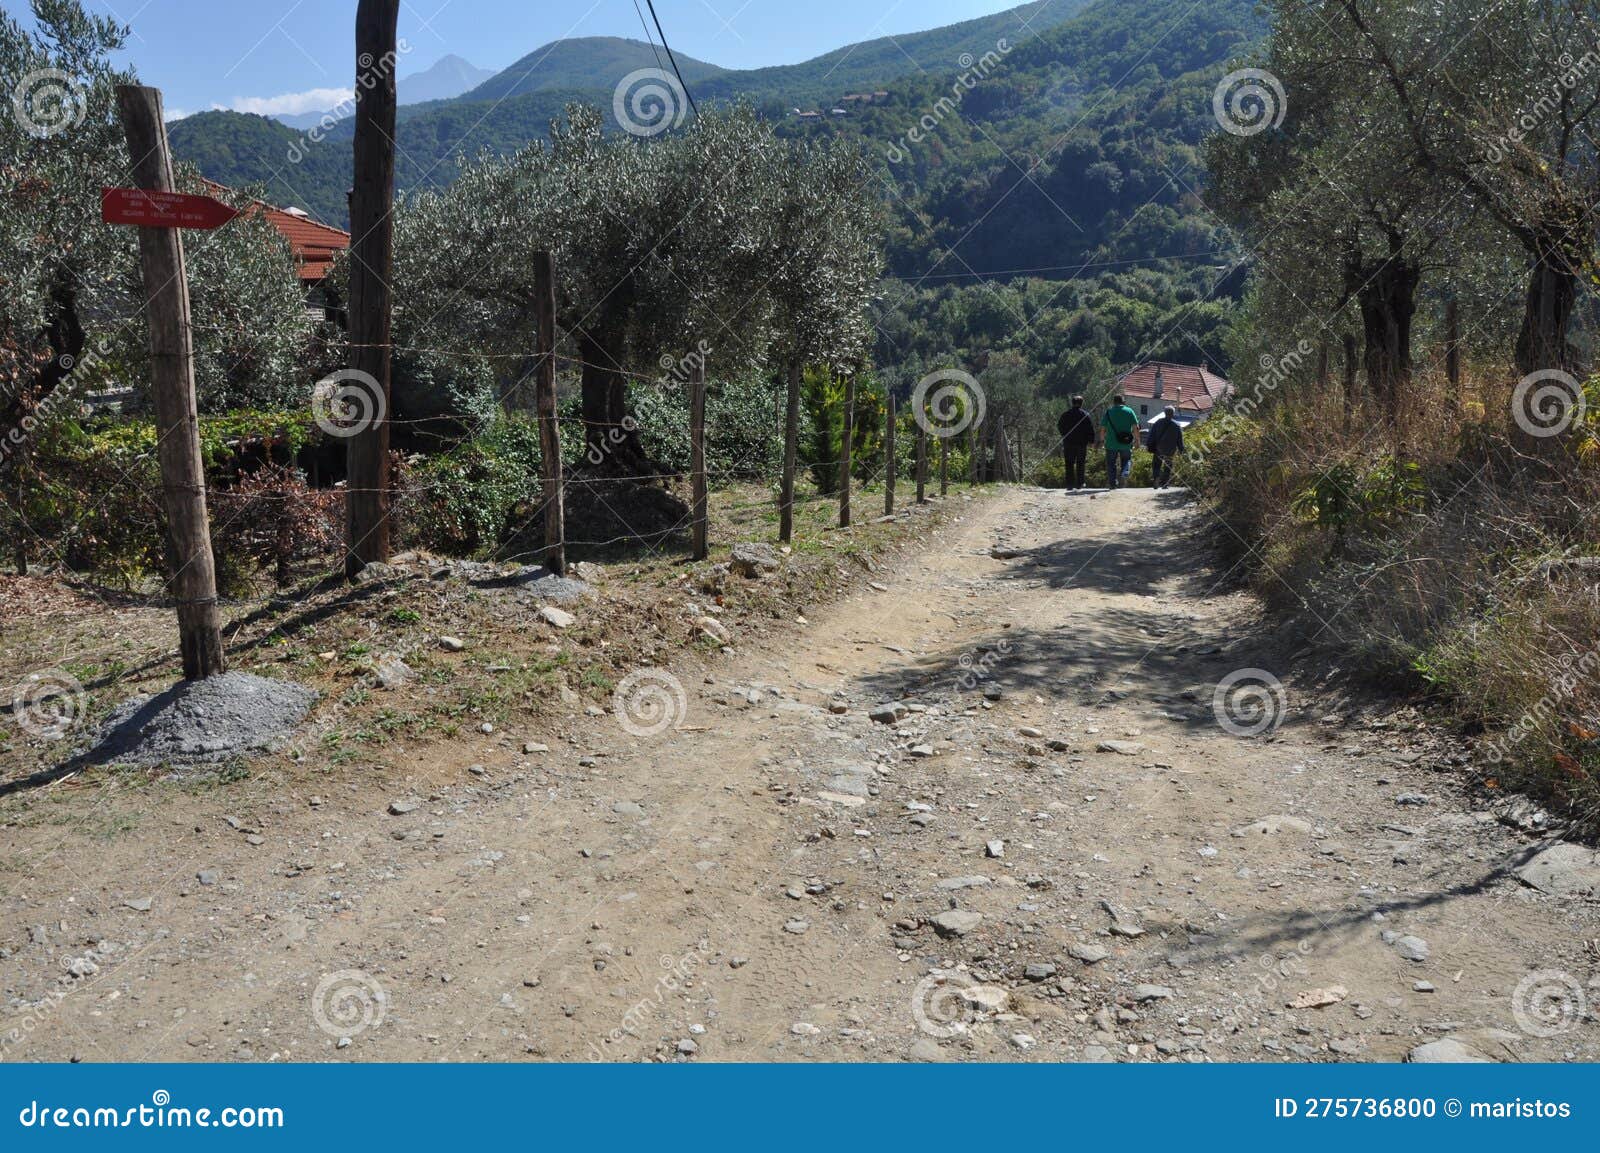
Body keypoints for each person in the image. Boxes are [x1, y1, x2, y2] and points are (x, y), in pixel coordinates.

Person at [1100, 394, 1139, 489]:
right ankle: (1125, 472)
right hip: (1126, 443)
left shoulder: (1109, 412)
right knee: (1126, 460)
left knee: (1111, 463)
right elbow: (1135, 428)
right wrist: (1137, 441)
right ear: (1123, 402)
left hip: (1111, 443)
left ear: (1114, 402)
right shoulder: (1129, 411)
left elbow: (1102, 428)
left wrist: (1102, 440)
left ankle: (1112, 484)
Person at [1056, 396, 1095, 489]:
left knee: (1069, 463)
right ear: (1081, 403)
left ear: (1072, 403)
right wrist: (1091, 441)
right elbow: (1090, 429)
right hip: (1082, 443)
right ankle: (1080, 483)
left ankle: (1069, 484)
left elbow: (1059, 426)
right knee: (1080, 463)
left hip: (1068, 442)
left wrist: (1064, 435)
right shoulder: (1085, 415)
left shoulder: (1065, 414)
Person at [1146, 405, 1184, 489]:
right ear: (1173, 414)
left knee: (1156, 465)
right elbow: (1179, 440)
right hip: (1170, 450)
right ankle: (1165, 483)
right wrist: (1181, 450)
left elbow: (1152, 435)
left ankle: (1156, 478)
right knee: (1168, 466)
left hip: (1158, 449)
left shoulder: (1158, 422)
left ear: (1164, 413)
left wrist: (1149, 444)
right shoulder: (1177, 426)